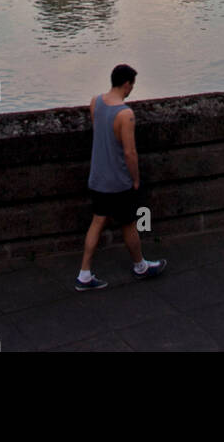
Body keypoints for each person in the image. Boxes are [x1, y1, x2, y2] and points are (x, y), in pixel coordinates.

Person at [76, 63, 166, 290]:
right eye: (132, 85)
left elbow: (100, 134)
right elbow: (129, 152)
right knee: (129, 224)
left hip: (98, 177)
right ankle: (140, 266)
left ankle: (84, 274)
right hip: (118, 181)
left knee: (97, 222)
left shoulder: (95, 102)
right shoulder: (125, 114)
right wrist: (135, 179)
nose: (131, 90)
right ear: (126, 83)